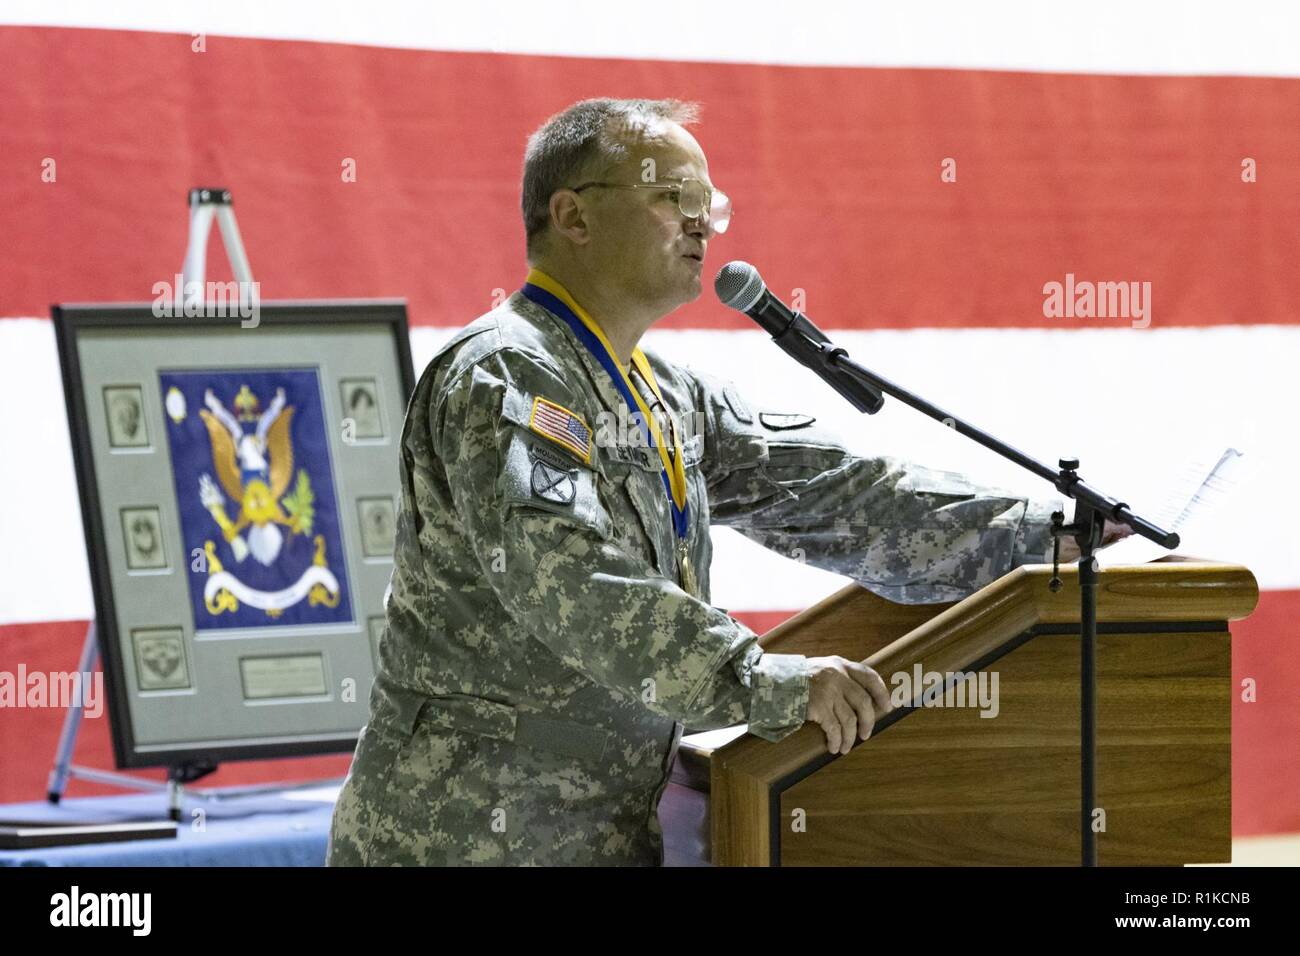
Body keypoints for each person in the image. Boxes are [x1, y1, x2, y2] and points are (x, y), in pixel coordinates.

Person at [327, 97, 1127, 867]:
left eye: (710, 203)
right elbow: (570, 579)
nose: (702, 222)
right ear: (572, 217)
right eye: (673, 197)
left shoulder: (666, 397)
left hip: (597, 838)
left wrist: (1043, 534)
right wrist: (760, 681)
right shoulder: (506, 372)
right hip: (461, 839)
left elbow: (837, 498)